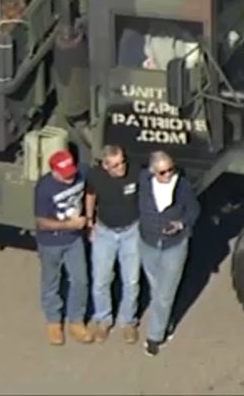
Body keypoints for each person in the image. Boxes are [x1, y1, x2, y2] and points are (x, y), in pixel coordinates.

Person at [137, 150, 200, 356]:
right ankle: (166, 321)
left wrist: (180, 224)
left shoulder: (181, 186)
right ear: (153, 171)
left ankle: (155, 336)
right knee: (156, 288)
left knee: (164, 294)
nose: (168, 175)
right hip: (148, 243)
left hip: (174, 245)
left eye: (171, 170)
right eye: (163, 172)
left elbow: (193, 209)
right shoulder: (144, 183)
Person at [33, 149, 94, 346]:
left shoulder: (81, 173)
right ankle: (54, 322)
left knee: (81, 280)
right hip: (50, 242)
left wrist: (90, 218)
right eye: (66, 175)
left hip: (74, 239)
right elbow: (42, 222)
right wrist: (70, 225)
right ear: (54, 172)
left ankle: (76, 320)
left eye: (72, 173)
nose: (71, 178)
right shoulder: (44, 188)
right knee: (51, 282)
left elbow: (91, 189)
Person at [84, 144, 141, 344]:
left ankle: (129, 322)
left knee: (131, 281)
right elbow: (90, 195)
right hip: (104, 233)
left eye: (122, 162)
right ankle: (103, 320)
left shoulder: (135, 172)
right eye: (115, 165)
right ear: (105, 166)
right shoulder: (95, 176)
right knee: (101, 280)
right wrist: (89, 221)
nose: (121, 168)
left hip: (131, 232)